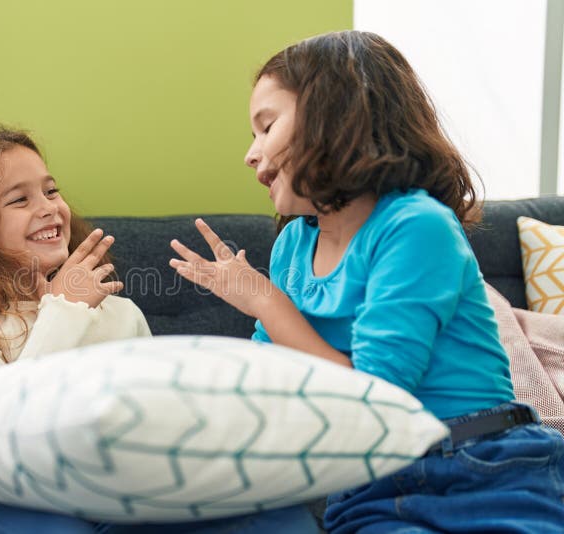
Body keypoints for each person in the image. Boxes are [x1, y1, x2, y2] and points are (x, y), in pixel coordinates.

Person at [170, 31, 564, 533]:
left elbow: (380, 396)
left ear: (333, 116)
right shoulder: (292, 247)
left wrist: (267, 303)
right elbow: (281, 385)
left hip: (479, 470)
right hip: (369, 486)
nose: (251, 153)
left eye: (266, 126)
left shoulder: (415, 226)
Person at [0, 126, 319, 533]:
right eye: (20, 199)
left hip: (107, 488)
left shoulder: (119, 314)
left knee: (271, 516)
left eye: (51, 191)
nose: (49, 208)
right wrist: (63, 309)